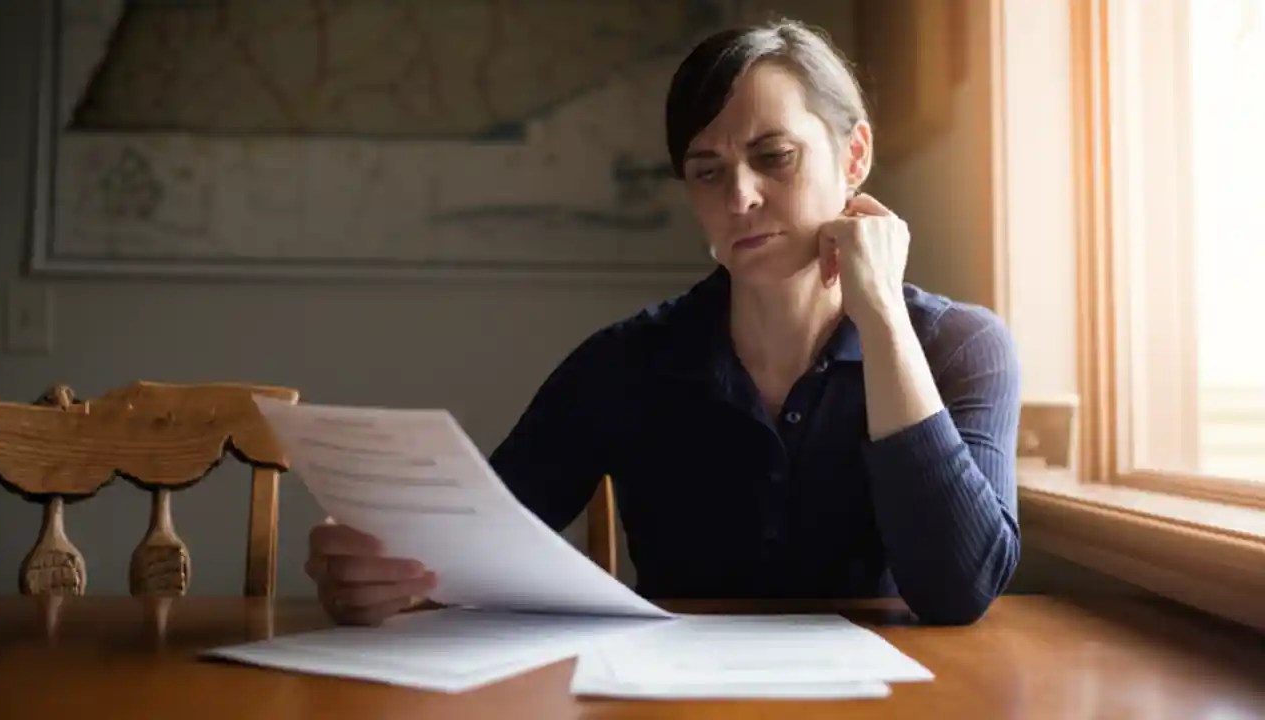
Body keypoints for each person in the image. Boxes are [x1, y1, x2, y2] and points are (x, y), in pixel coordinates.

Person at [305, 19, 1021, 627]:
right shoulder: (626, 362)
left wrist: (883, 314)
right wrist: (385, 573)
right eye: (707, 171)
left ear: (854, 155)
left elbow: (958, 592)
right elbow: (473, 550)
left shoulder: (961, 347)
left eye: (775, 157)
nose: (740, 195)